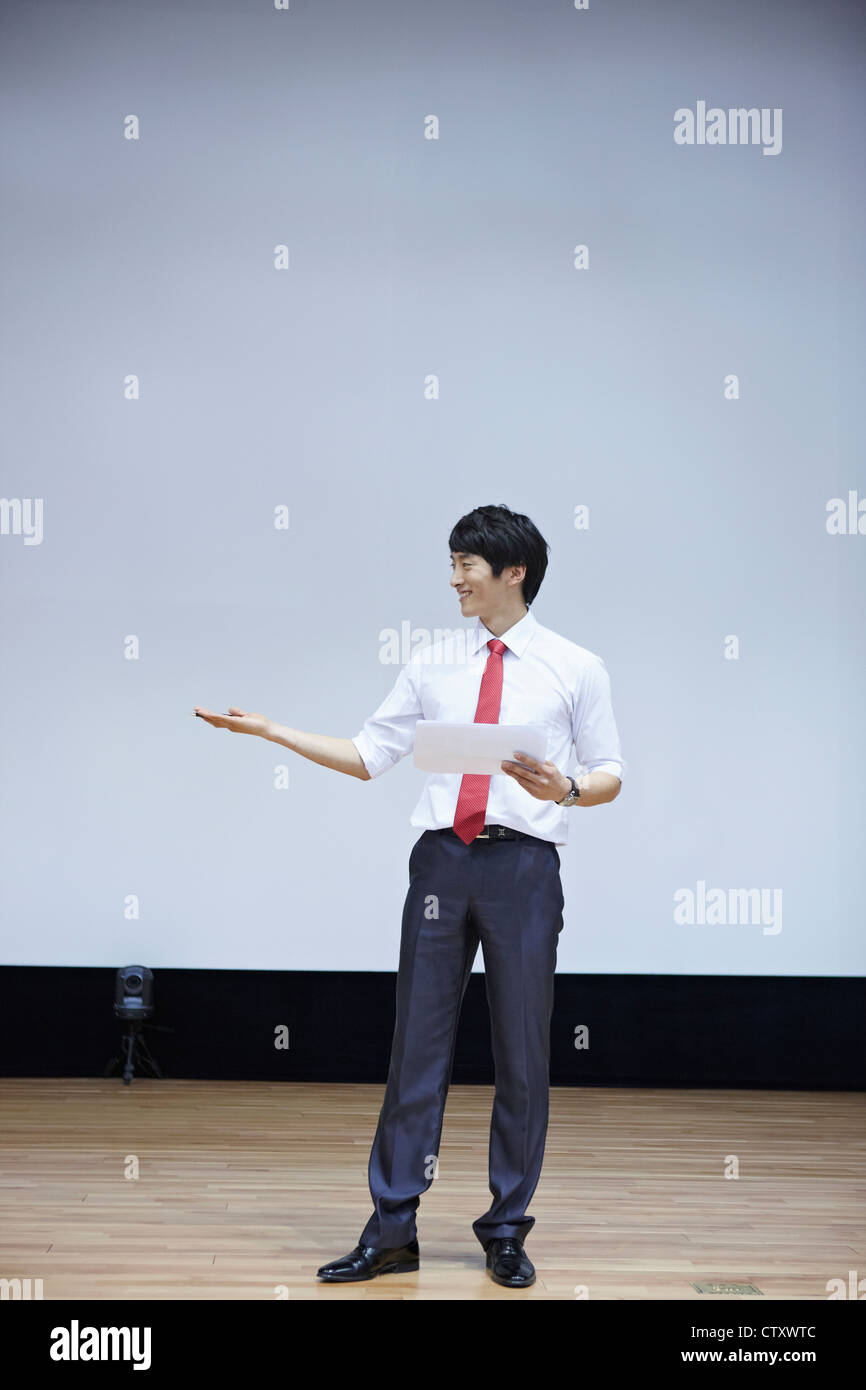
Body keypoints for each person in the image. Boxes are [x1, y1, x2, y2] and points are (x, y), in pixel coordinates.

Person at [194, 503, 624, 1289]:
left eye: (467, 564)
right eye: (453, 563)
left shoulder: (576, 666)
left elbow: (609, 775)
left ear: (514, 572)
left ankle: (505, 1228)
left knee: (522, 1056)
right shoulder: (433, 662)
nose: (454, 578)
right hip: (441, 865)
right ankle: (393, 1227)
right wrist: (274, 732)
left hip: (525, 868)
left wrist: (563, 786)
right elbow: (367, 755)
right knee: (415, 1050)